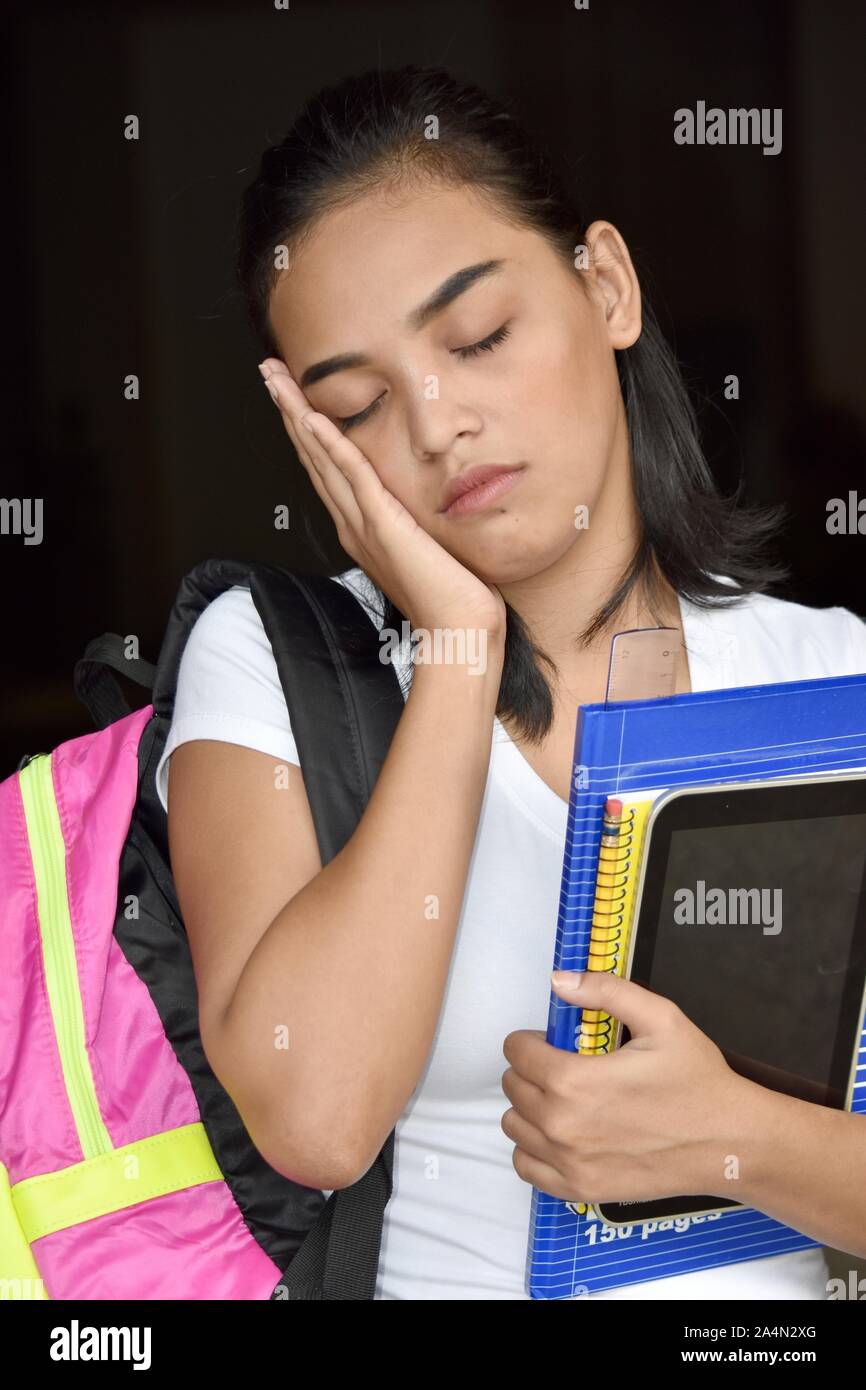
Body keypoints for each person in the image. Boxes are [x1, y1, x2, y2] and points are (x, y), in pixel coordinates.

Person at [158, 64, 866, 1300]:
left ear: (605, 286)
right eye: (360, 404)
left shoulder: (834, 675)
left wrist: (727, 1141)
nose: (435, 427)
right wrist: (452, 649)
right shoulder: (264, 664)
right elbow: (315, 1119)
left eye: (477, 337)